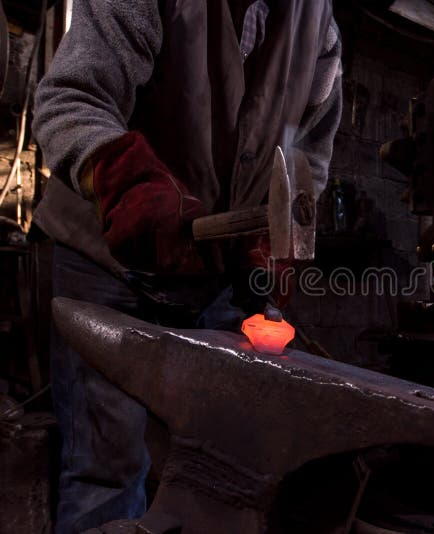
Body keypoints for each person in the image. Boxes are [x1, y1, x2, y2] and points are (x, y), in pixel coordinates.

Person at [30, 1, 342, 532]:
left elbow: (308, 155)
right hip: (105, 264)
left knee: (218, 472)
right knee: (108, 474)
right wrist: (121, 177)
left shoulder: (320, 25)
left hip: (212, 275)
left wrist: (270, 233)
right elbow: (69, 100)